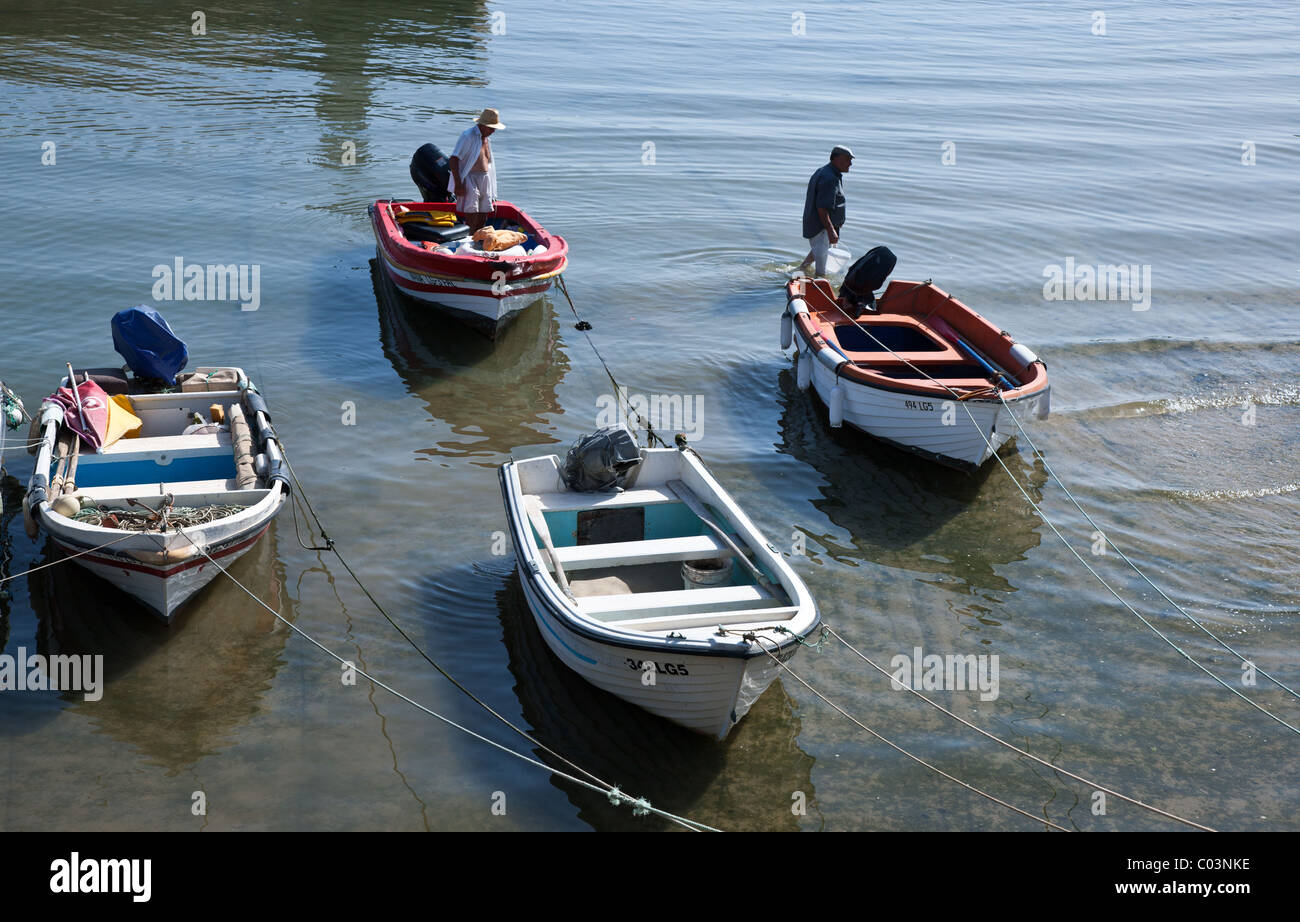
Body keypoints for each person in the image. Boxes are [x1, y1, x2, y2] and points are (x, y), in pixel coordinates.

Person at [798, 145, 853, 276]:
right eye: (848, 159)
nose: (850, 163)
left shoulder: (825, 171)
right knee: (821, 270)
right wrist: (831, 230)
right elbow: (822, 208)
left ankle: (801, 269)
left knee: (819, 250)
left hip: (819, 227)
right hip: (821, 228)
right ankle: (820, 286)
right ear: (837, 159)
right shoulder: (830, 178)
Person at [448, 107, 505, 232]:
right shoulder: (468, 136)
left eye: (494, 128)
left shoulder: (486, 138)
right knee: (472, 210)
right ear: (483, 125)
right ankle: (469, 238)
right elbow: (453, 159)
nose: (493, 131)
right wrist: (458, 184)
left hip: (484, 176)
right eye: (491, 128)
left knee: (485, 210)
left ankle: (479, 236)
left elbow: (487, 161)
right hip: (470, 176)